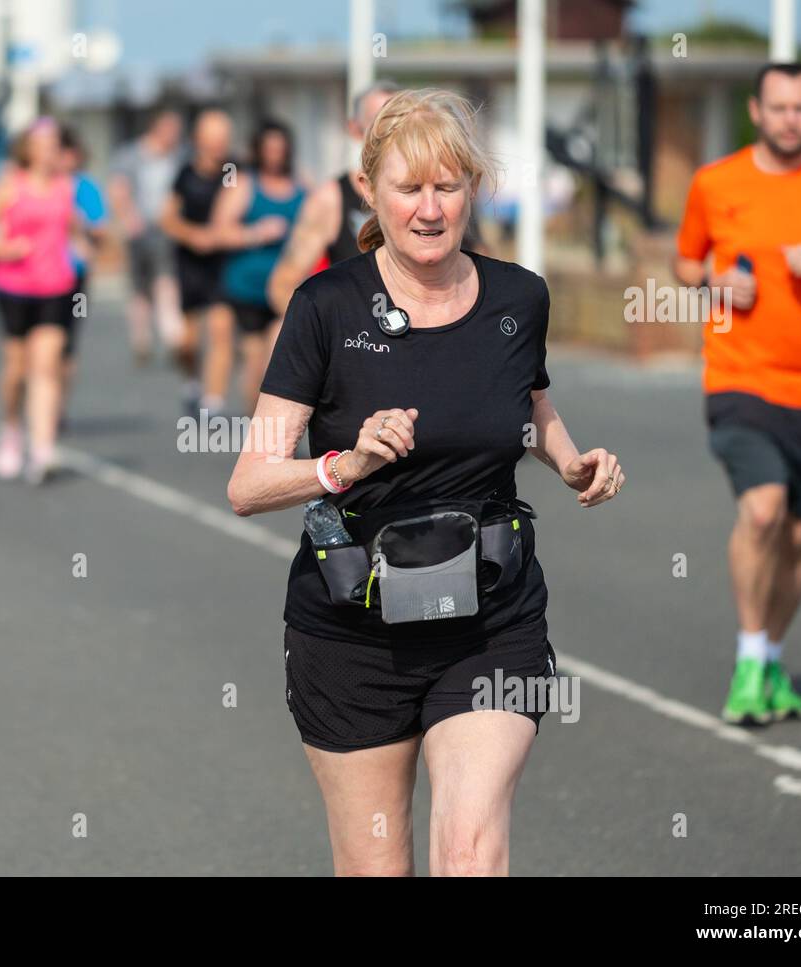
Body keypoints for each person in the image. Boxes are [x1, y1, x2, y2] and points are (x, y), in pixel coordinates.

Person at [227, 90, 624, 876]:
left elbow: (531, 402)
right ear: (370, 189)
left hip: (488, 619)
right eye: (410, 188)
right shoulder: (326, 307)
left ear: (473, 188)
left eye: (448, 186)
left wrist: (572, 459)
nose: (431, 208)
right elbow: (248, 482)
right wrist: (344, 465)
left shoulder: (518, 298)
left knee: (470, 849)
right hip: (354, 632)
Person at [673, 62, 801, 725]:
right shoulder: (716, 181)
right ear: (756, 113)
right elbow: (682, 262)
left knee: (796, 533)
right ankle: (749, 658)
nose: (790, 118)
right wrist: (711, 277)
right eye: (778, 107)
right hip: (739, 377)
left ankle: (771, 656)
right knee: (763, 511)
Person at [0, 117, 78, 485]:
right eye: (42, 142)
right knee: (16, 369)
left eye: (54, 142)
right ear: (28, 149)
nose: (49, 149)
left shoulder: (66, 187)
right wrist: (2, 247)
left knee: (46, 366)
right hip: (13, 286)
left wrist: (91, 242)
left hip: (57, 286)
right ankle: (12, 429)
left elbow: (76, 229)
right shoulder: (9, 186)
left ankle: (43, 448)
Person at [268, 81, 399, 316]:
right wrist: (332, 334)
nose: (391, 133)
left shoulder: (436, 194)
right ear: (355, 129)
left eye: (400, 122)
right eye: (380, 122)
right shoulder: (331, 198)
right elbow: (281, 287)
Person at [211, 120, 304, 415]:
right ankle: (258, 425)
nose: (275, 155)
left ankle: (276, 427)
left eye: (280, 149)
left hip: (288, 289)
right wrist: (256, 233)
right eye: (269, 149)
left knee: (278, 362)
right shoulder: (243, 184)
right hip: (247, 287)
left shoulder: (303, 185)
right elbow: (219, 231)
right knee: (254, 362)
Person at [159, 107, 236, 416]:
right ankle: (191, 380)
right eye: (211, 139)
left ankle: (213, 402)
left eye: (222, 139)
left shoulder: (235, 170)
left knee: (220, 328)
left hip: (225, 261)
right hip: (190, 261)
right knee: (188, 341)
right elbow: (167, 218)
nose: (218, 145)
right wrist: (194, 236)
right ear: (198, 140)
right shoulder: (185, 174)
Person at [108, 109, 184, 366]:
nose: (174, 135)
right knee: (140, 288)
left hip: (168, 230)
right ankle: (141, 338)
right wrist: (128, 219)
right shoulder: (131, 156)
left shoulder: (179, 157)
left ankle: (172, 334)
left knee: (167, 280)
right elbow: (118, 189)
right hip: (139, 230)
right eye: (169, 129)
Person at [58, 124, 109, 426]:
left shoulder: (84, 187)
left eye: (70, 153)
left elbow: (101, 229)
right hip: (31, 278)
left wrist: (79, 226)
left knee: (65, 343)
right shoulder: (32, 185)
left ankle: (57, 406)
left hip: (72, 273)